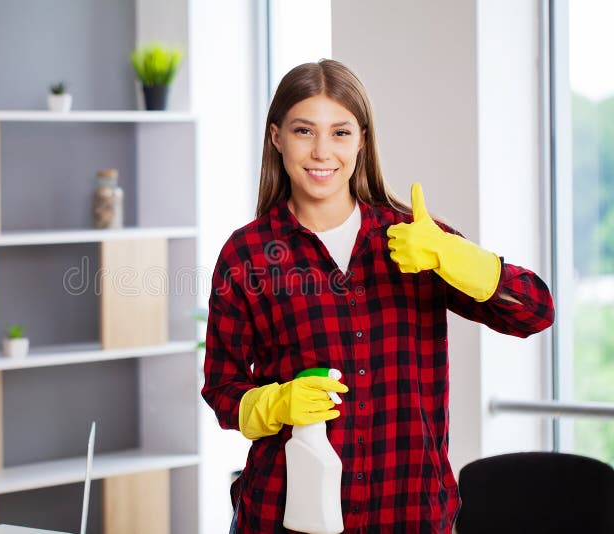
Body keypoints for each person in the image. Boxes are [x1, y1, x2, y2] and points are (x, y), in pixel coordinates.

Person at [201, 59, 555, 533]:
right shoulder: (247, 254)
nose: (322, 151)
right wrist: (274, 403)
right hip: (286, 517)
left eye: (341, 132)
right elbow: (221, 388)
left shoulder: (417, 240)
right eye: (304, 131)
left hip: (409, 512)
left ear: (362, 140)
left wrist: (454, 255)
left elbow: (534, 312)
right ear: (276, 137)